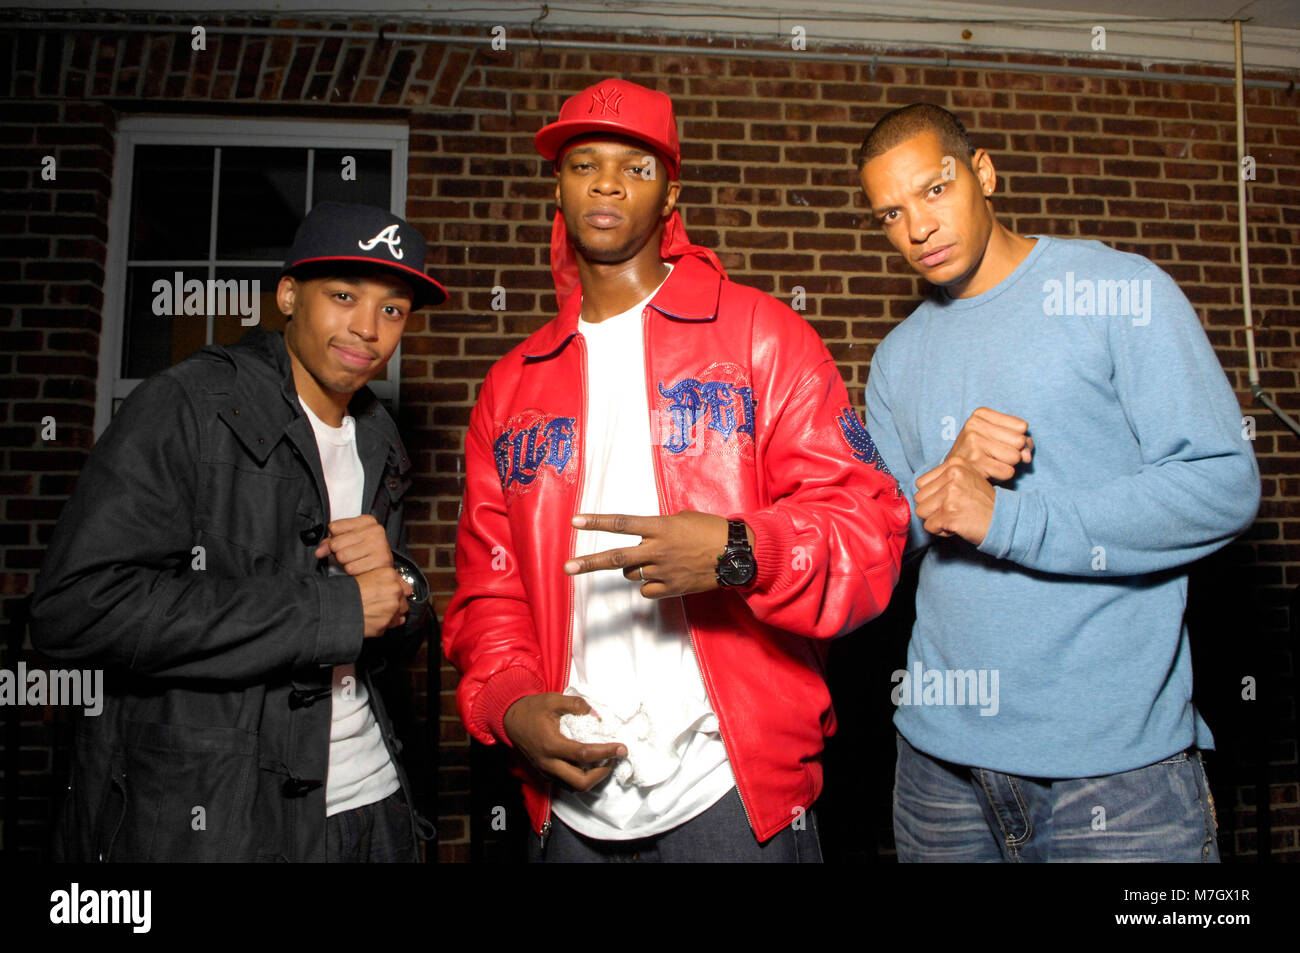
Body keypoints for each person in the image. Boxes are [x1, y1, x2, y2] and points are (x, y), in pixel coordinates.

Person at [443, 78, 910, 863]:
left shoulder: (764, 335)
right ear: (557, 187)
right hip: (572, 794)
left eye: (636, 167)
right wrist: (508, 700)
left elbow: (871, 532)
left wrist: (736, 549)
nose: (606, 182)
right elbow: (492, 589)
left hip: (732, 785)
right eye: (584, 162)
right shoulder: (512, 383)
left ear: (670, 196)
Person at [856, 103, 1260, 862]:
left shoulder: (1118, 291)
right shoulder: (897, 357)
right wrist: (939, 485)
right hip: (940, 765)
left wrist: (1009, 519)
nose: (917, 229)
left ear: (983, 173)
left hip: (1118, 769)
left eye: (934, 191)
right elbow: (883, 538)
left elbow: (1222, 484)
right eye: (890, 214)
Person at [30, 202, 444, 862]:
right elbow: (76, 607)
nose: (367, 328)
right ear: (288, 294)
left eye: (392, 309)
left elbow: (377, 626)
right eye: (344, 296)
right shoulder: (186, 404)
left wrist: (403, 590)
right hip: (226, 817)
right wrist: (331, 609)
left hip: (371, 804)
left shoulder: (378, 437)